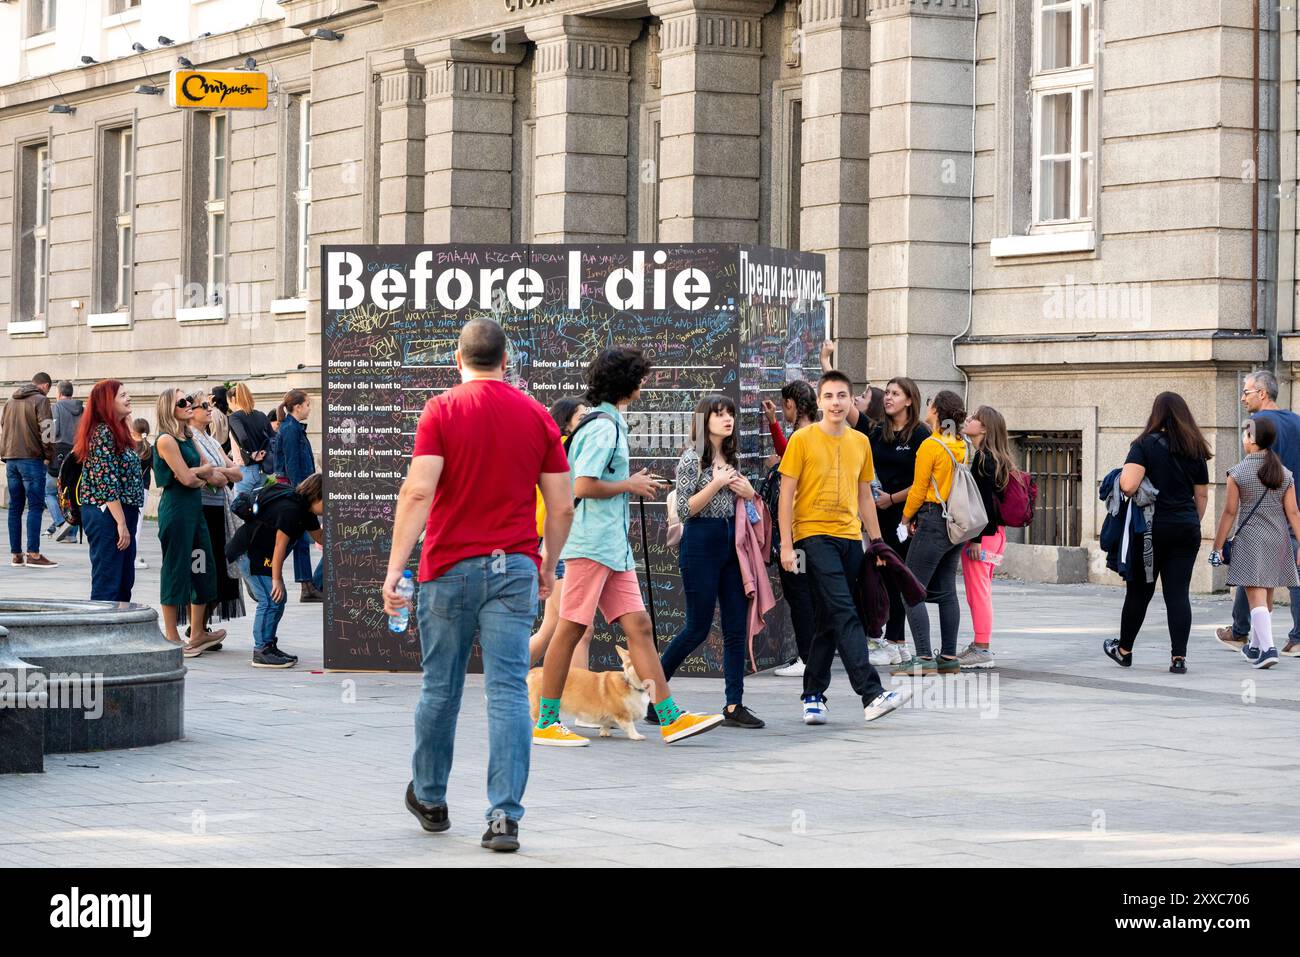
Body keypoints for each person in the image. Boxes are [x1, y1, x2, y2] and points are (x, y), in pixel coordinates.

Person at [382, 318, 574, 854]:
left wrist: (395, 568)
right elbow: (561, 505)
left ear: (457, 360)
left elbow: (418, 494)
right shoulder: (537, 416)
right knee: (509, 689)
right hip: (513, 566)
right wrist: (548, 564)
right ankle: (503, 817)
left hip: (448, 567)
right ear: (506, 361)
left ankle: (431, 797)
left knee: (440, 688)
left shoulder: (441, 410)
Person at [535, 347, 723, 747]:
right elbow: (581, 485)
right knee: (570, 629)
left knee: (639, 626)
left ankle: (670, 717)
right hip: (591, 544)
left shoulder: (607, 421)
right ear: (626, 381)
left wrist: (628, 482)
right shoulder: (604, 426)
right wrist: (630, 484)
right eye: (640, 376)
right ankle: (546, 721)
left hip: (611, 548)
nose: (644, 382)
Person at [778, 369, 912, 725]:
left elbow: (864, 495)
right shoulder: (802, 440)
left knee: (829, 616)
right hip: (812, 536)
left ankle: (812, 696)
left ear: (850, 401)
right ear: (819, 402)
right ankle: (871, 693)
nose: (836, 403)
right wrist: (786, 545)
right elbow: (786, 496)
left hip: (851, 538)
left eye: (842, 396)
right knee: (845, 610)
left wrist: (878, 542)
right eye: (829, 396)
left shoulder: (860, 442)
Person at [656, 393, 763, 728]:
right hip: (700, 541)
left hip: (733, 542)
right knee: (697, 628)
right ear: (705, 420)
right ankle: (654, 694)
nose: (727, 418)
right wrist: (717, 483)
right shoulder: (691, 459)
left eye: (730, 413)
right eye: (719, 414)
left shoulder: (732, 458)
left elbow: (747, 507)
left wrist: (746, 491)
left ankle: (734, 705)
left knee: (734, 627)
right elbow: (685, 509)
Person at [1103, 392, 1211, 673]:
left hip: (1151, 531)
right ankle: (1179, 658)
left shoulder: (1144, 445)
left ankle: (1124, 650)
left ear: (1156, 414)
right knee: (1178, 594)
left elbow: (1127, 485)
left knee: (1139, 592)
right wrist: (1191, 522)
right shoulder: (1195, 448)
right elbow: (1201, 496)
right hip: (1186, 527)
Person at [1217, 370, 1300, 657]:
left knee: (1253, 570)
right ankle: (1296, 637)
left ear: (1262, 393)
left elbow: (1253, 471)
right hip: (1293, 506)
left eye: (1247, 392)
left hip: (1267, 511)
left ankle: (1243, 632)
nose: (1242, 398)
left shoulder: (1259, 425)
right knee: (1292, 573)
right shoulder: (1296, 421)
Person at [894, 390, 970, 676]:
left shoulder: (931, 445)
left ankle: (924, 657)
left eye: (930, 404)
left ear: (937, 410)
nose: (927, 408)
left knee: (910, 588)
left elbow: (917, 490)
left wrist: (904, 519)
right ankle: (948, 658)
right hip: (956, 524)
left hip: (933, 518)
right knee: (947, 590)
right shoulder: (962, 444)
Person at [863, 376, 929, 667]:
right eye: (887, 393)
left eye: (895, 394)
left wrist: (892, 498)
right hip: (877, 514)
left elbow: (923, 482)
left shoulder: (920, 435)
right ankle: (896, 642)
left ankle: (895, 642)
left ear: (909, 400)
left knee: (898, 577)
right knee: (882, 577)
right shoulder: (878, 432)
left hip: (905, 517)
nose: (888, 398)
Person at [528, 396, 595, 670]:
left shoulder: (555, 449)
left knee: (553, 627)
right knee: (579, 629)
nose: (589, 422)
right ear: (566, 424)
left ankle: (507, 681)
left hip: (556, 540)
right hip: (565, 543)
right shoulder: (570, 449)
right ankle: (581, 705)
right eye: (582, 418)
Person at [235, 473, 325, 669]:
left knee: (277, 599)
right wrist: (277, 579)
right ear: (317, 496)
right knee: (270, 599)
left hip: (262, 556)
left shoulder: (306, 510)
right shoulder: (291, 509)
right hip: (250, 554)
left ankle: (269, 645)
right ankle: (261, 651)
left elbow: (320, 538)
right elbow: (279, 546)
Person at [153, 388, 219, 653]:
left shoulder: (188, 436)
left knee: (202, 566)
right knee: (176, 569)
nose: (189, 405)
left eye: (189, 401)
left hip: (194, 509)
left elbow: (207, 469)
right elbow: (190, 479)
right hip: (177, 511)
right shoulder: (166, 439)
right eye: (182, 402)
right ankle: (171, 635)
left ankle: (198, 631)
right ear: (170, 408)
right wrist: (198, 473)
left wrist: (196, 473)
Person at [762, 380, 818, 677]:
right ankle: (813, 655)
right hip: (816, 529)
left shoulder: (801, 438)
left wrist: (777, 465)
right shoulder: (820, 434)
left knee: (799, 595)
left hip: (796, 531)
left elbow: (791, 457)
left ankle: (807, 657)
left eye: (784, 406)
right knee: (809, 593)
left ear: (792, 405)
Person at [74, 380, 145, 603]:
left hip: (121, 512)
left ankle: (119, 632)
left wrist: (126, 420)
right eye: (122, 395)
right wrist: (121, 524)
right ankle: (101, 632)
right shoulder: (103, 433)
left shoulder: (117, 430)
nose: (129, 398)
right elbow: (106, 483)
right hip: (108, 514)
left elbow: (140, 455)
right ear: (107, 402)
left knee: (124, 580)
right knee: (108, 581)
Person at [958, 405, 1015, 669]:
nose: (967, 420)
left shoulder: (984, 459)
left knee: (978, 594)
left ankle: (982, 648)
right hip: (995, 535)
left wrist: (977, 539)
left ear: (984, 428)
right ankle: (979, 644)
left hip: (985, 536)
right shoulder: (992, 457)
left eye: (973, 418)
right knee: (980, 592)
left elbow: (985, 506)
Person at [188, 388, 247, 641]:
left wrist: (221, 474)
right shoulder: (190, 437)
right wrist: (220, 473)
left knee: (225, 571)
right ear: (191, 412)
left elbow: (237, 471)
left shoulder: (210, 439)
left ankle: (201, 627)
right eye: (204, 406)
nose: (210, 409)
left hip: (220, 509)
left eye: (209, 405)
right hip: (202, 511)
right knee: (205, 569)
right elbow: (209, 473)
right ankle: (196, 628)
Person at [2, 371, 58, 568]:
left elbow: (4, 428)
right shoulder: (41, 400)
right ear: (45, 386)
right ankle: (33, 554)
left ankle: (16, 554)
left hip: (11, 459)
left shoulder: (10, 401)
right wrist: (48, 456)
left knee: (15, 507)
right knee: (35, 506)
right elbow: (48, 430)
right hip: (32, 459)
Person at [277, 389, 324, 602]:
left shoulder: (294, 428)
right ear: (297, 407)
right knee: (297, 539)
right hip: (297, 491)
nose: (309, 409)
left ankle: (307, 584)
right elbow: (292, 463)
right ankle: (305, 584)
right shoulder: (290, 429)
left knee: (300, 540)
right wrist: (301, 494)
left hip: (300, 490)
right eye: (307, 405)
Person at [45, 379, 82, 542]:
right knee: (73, 494)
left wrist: (45, 452)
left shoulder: (56, 408)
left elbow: (51, 433)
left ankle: (61, 522)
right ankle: (72, 534)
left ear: (59, 393)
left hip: (58, 455)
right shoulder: (84, 409)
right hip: (78, 454)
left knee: (50, 492)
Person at [227, 382, 276, 498]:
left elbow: (243, 437)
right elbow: (273, 438)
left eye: (228, 402)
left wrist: (250, 454)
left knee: (240, 509)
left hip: (245, 469)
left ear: (233, 399)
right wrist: (264, 451)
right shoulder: (261, 415)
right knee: (257, 508)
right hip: (262, 470)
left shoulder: (235, 417)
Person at [131, 418, 152, 570]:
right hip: (142, 488)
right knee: (137, 525)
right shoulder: (149, 448)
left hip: (126, 489)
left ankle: (126, 556)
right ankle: (132, 557)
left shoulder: (127, 446)